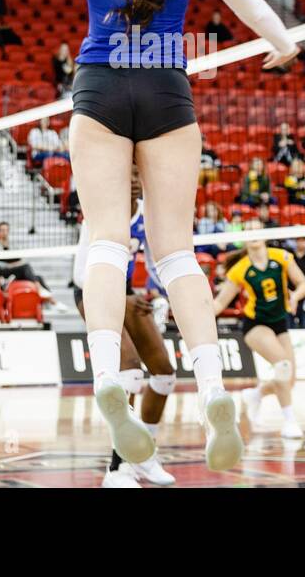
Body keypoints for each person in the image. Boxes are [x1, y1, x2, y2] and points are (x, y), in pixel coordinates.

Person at [0, 0, 297, 471]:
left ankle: (105, 378)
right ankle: (213, 384)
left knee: (105, 239)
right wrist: (282, 44)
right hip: (166, 89)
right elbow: (249, 2)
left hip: (101, 85)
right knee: (176, 252)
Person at [71, 187, 178, 488]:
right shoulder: (98, 212)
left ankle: (145, 454)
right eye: (128, 171)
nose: (132, 178)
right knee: (129, 370)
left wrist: (169, 293)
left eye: (137, 172)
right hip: (93, 289)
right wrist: (120, 297)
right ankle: (118, 470)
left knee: (165, 375)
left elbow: (157, 263)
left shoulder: (148, 212)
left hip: (127, 290)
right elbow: (80, 275)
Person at [213, 220, 305, 439]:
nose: (253, 233)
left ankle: (255, 394)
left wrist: (295, 295)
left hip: (281, 321)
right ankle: (290, 422)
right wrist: (200, 313)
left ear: (266, 234)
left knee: (289, 379)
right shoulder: (239, 270)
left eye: (258, 229)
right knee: (283, 366)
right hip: (255, 325)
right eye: (248, 230)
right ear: (244, 238)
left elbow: (303, 284)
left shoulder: (282, 257)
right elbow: (220, 303)